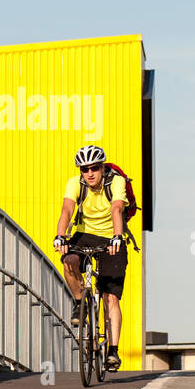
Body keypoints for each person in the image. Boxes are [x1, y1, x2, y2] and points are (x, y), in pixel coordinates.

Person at [53, 145, 127, 372]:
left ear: (103, 167)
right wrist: (60, 235)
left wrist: (116, 237)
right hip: (84, 235)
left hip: (110, 238)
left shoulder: (116, 182)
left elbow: (117, 209)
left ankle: (112, 352)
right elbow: (67, 209)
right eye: (85, 169)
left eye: (95, 168)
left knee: (110, 298)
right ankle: (79, 302)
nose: (90, 173)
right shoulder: (76, 183)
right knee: (69, 261)